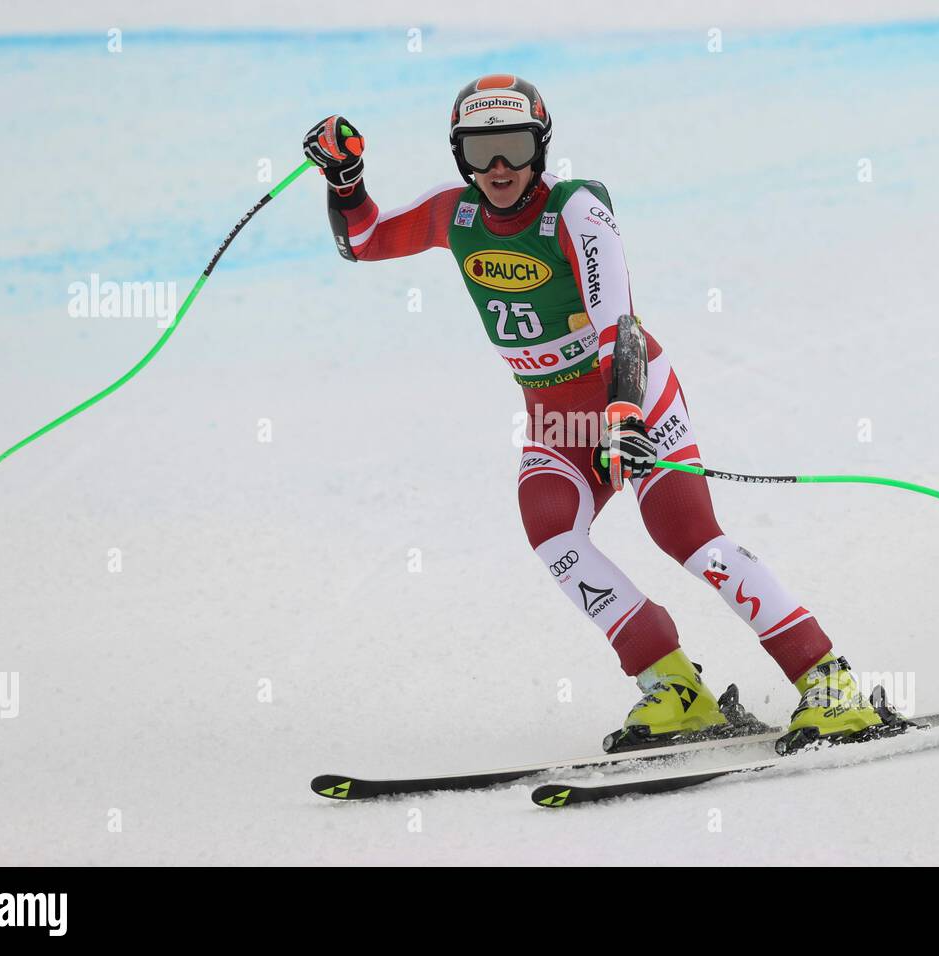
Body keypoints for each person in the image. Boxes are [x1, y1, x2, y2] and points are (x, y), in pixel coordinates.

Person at [302, 74, 888, 753]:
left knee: (687, 535)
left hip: (632, 394)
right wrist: (345, 181)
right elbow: (365, 241)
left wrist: (624, 418)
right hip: (555, 415)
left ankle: (828, 682)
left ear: (541, 148)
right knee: (551, 527)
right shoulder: (453, 214)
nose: (499, 168)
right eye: (481, 150)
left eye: (515, 148)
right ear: (459, 154)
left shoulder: (577, 210)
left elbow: (622, 330)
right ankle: (674, 688)